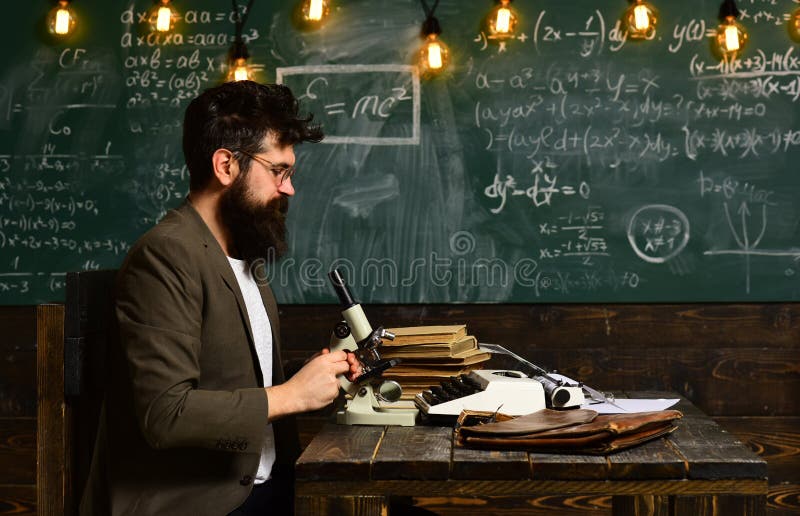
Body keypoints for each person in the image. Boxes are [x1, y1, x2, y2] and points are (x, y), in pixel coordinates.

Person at [79, 80, 360, 516]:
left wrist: (317, 379)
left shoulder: (243, 255)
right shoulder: (166, 254)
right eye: (279, 171)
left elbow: (234, 379)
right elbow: (165, 413)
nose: (289, 189)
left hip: (269, 489)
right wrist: (291, 395)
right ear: (226, 165)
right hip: (205, 505)